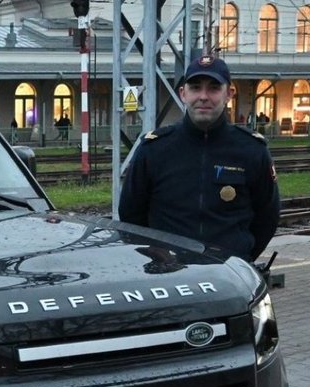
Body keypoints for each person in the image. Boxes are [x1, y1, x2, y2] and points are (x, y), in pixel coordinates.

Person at [118, 55, 279, 263]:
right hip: (168, 275)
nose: (203, 96)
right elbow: (131, 214)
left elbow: (267, 217)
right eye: (195, 88)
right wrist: (155, 253)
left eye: (213, 88)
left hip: (228, 276)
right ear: (183, 94)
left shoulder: (252, 150)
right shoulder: (155, 149)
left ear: (229, 94)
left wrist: (239, 257)